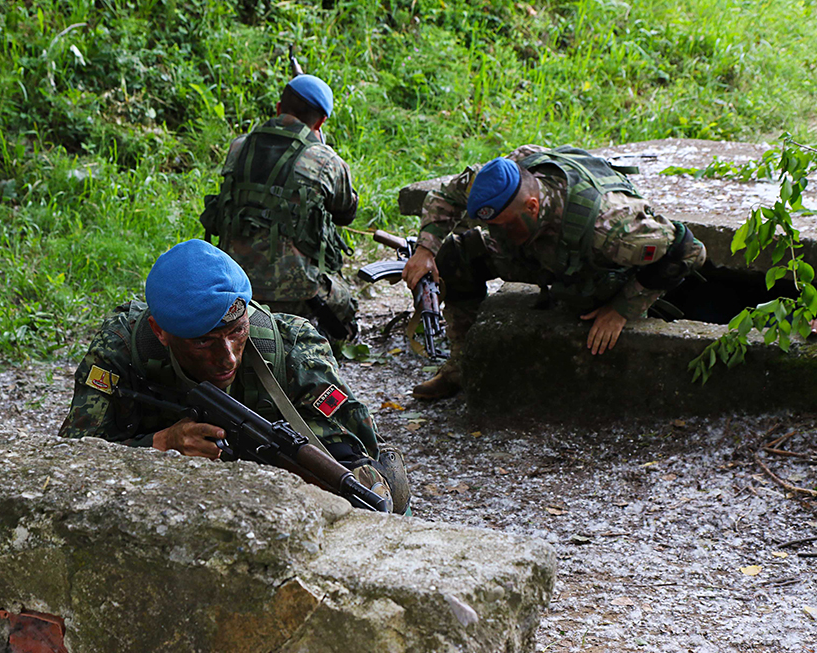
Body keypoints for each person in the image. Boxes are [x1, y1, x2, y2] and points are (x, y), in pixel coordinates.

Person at [58, 239, 409, 513]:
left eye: (237, 332)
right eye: (202, 342)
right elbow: (68, 462)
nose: (226, 356)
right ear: (160, 331)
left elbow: (359, 448)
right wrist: (161, 445)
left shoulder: (293, 347)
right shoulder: (122, 351)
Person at [402, 144, 707, 400]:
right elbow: (447, 196)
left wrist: (623, 308)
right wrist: (425, 250)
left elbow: (689, 251)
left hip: (596, 269)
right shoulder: (501, 178)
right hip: (538, 254)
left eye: (506, 226)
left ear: (532, 206)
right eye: (492, 227)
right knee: (456, 254)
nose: (497, 235)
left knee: (586, 301)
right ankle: (460, 366)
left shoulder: (615, 230)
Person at [199, 74, 360, 341]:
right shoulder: (326, 160)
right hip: (298, 293)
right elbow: (345, 213)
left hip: (233, 284)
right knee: (346, 309)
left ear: (278, 108)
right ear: (320, 121)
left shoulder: (239, 147)